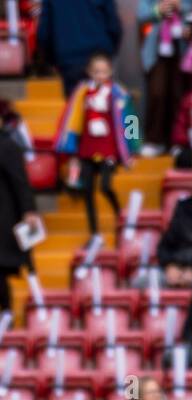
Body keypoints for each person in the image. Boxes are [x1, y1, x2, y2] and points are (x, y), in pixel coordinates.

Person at [55, 53, 139, 242]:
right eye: (96, 72)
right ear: (89, 73)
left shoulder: (118, 93)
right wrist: (71, 150)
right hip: (87, 149)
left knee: (106, 186)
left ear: (110, 72)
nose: (100, 75)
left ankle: (121, 218)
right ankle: (94, 233)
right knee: (87, 191)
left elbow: (131, 119)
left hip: (109, 148)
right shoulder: (81, 93)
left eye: (104, 71)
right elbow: (72, 120)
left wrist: (132, 150)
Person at [138, 0, 192, 157]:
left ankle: (177, 141)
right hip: (157, 50)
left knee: (179, 95)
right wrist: (158, 10)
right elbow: (141, 14)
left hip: (182, 48)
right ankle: (154, 140)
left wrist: (180, 6)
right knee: (157, 93)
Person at [37, 0, 122, 97]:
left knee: (75, 105)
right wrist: (110, 51)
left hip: (69, 59)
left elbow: (44, 31)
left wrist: (51, 59)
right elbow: (113, 24)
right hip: (99, 55)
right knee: (103, 102)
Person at [0, 122, 39, 314]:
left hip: (4, 218)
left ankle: (8, 315)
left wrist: (29, 210)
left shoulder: (7, 145)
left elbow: (20, 181)